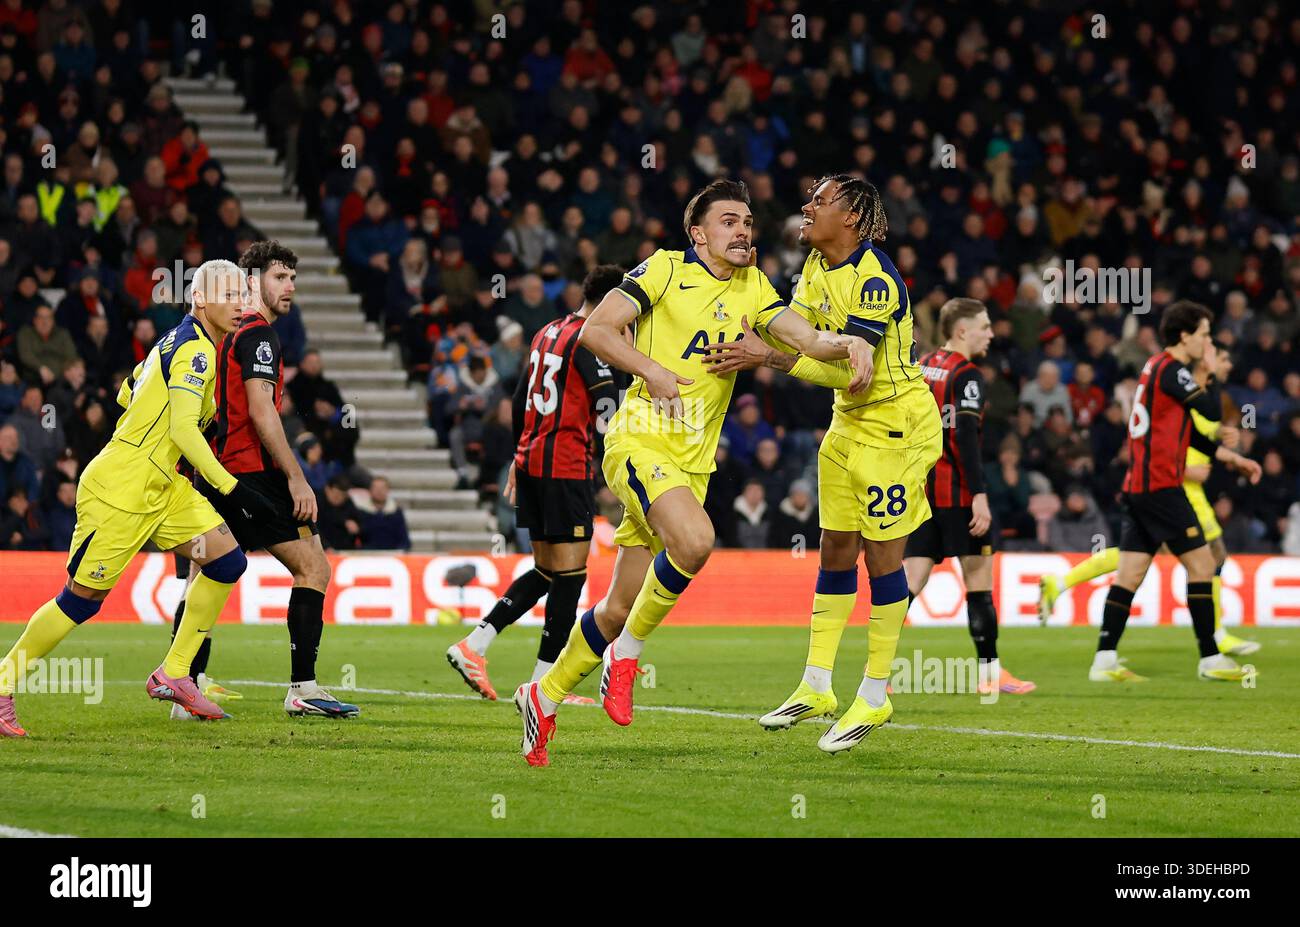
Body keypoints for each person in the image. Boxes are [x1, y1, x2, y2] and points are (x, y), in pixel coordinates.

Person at [514, 179, 852, 766]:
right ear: (698, 234)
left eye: (746, 220)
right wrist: (652, 371)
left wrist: (851, 341)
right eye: (727, 221)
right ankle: (628, 654)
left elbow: (805, 340)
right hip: (640, 441)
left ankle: (541, 696)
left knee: (616, 606)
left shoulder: (755, 285)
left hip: (694, 462)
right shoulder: (665, 269)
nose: (742, 230)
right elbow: (596, 329)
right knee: (696, 540)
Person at [712, 173, 942, 754]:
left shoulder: (875, 280)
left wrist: (768, 358)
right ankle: (817, 684)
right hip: (847, 424)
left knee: (884, 558)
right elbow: (807, 344)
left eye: (822, 200)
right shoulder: (814, 269)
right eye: (810, 197)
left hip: (896, 426)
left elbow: (847, 367)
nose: (807, 206)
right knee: (836, 548)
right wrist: (764, 334)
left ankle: (876, 690)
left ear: (855, 218)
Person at [0, 260, 278, 737]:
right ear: (200, 299)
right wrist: (234, 488)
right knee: (82, 601)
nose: (240, 304)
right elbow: (183, 430)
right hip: (123, 489)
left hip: (163, 486)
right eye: (228, 294)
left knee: (227, 562)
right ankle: (3, 683)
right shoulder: (197, 352)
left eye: (243, 294)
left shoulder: (176, 341)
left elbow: (129, 393)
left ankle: (173, 672)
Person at [180, 240, 358, 720]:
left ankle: (185, 686)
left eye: (293, 278)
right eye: (280, 277)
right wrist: (298, 479)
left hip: (216, 472)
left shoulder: (224, 332)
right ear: (252, 281)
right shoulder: (258, 335)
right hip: (252, 474)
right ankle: (303, 688)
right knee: (314, 569)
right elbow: (262, 412)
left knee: (203, 575)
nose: (290, 287)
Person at [447, 265, 622, 703]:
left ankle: (475, 644)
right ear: (611, 301)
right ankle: (546, 686)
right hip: (564, 467)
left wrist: (516, 455)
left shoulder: (548, 331)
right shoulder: (591, 338)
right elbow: (605, 409)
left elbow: (519, 394)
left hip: (531, 462)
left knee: (548, 569)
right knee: (572, 575)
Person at [1038, 339, 1262, 657]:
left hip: (1181, 490)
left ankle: (1065, 591)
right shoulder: (1188, 395)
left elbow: (1195, 440)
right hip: (1174, 490)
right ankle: (1214, 640)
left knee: (1140, 557)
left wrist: (1231, 457)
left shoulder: (1198, 395)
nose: (1226, 365)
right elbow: (1169, 443)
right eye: (1222, 358)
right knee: (1202, 558)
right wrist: (1190, 467)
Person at [1082, 302, 1260, 684]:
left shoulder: (1156, 369)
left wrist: (1230, 458)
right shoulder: (1171, 369)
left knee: (1129, 574)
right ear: (1185, 336)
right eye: (1205, 335)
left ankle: (1104, 659)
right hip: (1161, 488)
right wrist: (1210, 370)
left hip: (1139, 488)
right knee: (1202, 565)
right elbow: (1210, 411)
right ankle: (1210, 657)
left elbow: (1192, 432)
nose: (1208, 342)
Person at [903, 298, 1036, 695]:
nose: (991, 334)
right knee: (979, 580)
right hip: (958, 493)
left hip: (922, 492)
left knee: (910, 580)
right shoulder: (968, 375)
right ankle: (992, 675)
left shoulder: (922, 365)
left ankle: (877, 670)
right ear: (961, 331)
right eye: (984, 327)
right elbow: (965, 438)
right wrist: (979, 495)